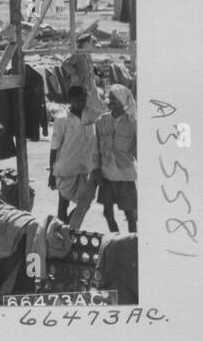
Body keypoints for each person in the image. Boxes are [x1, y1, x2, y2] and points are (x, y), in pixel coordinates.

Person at [50, 85, 98, 229]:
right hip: (66, 168)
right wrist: (51, 174)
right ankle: (60, 237)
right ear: (70, 100)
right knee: (63, 204)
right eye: (77, 100)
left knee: (86, 202)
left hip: (85, 169)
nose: (81, 103)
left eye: (83, 99)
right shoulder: (61, 119)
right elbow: (54, 147)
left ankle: (69, 230)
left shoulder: (92, 115)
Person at [94, 84, 138, 233]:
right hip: (107, 173)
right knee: (107, 213)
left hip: (125, 175)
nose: (110, 101)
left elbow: (138, 150)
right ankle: (116, 239)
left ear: (122, 102)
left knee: (130, 214)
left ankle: (132, 241)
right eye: (109, 98)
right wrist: (96, 170)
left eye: (114, 99)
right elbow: (95, 150)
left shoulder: (132, 123)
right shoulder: (101, 121)